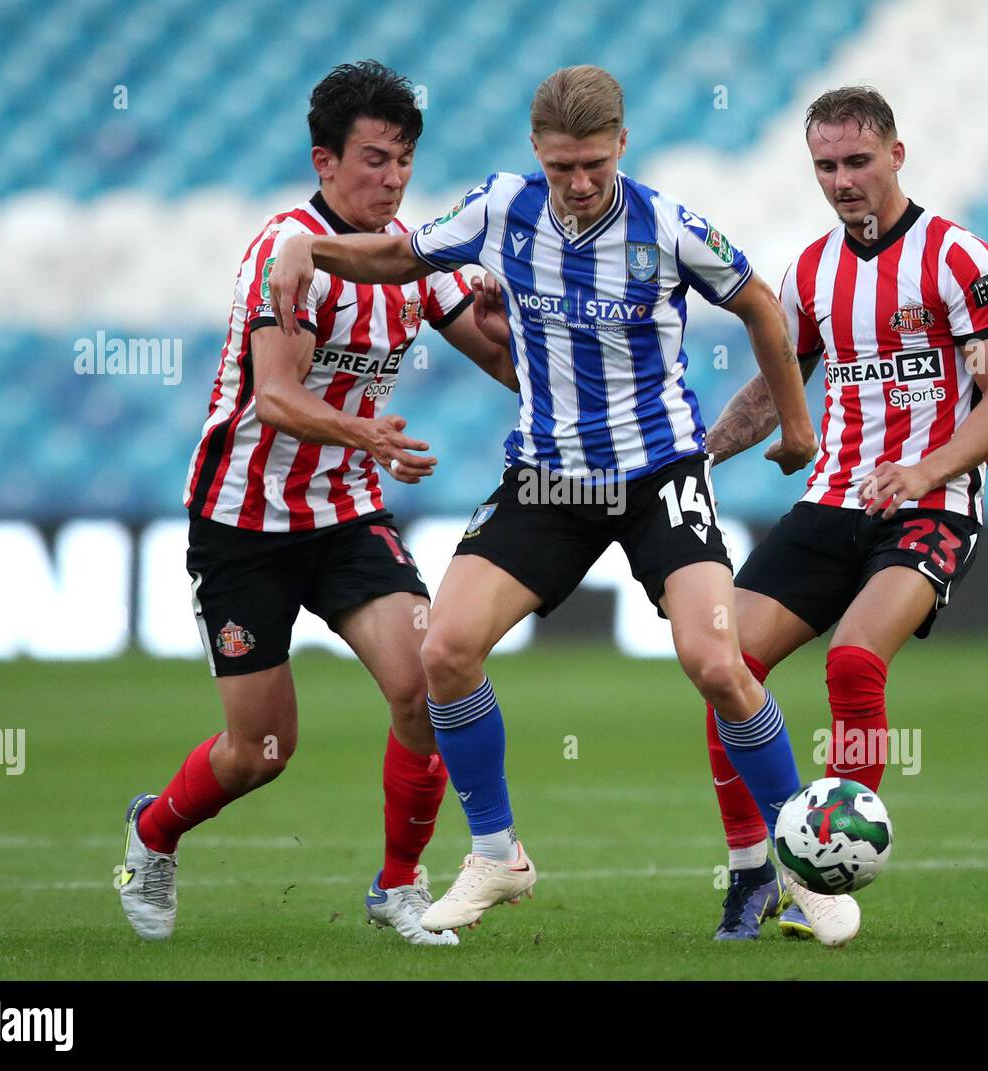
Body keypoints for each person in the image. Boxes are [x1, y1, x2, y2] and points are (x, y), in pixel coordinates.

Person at [264, 65, 860, 941]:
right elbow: (398, 254)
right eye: (559, 168)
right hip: (547, 478)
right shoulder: (502, 207)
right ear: (535, 156)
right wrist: (301, 245)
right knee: (447, 650)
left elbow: (763, 309)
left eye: (592, 164)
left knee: (716, 662)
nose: (577, 185)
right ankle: (498, 855)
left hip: (658, 475)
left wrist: (797, 425)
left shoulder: (666, 223)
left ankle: (802, 866)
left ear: (622, 144)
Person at [116, 61, 516, 948]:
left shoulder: (413, 255)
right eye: (374, 160)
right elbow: (277, 397)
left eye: (406, 160)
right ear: (324, 161)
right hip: (242, 522)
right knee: (259, 752)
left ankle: (398, 885)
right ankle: (153, 831)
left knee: (423, 684)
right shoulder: (285, 249)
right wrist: (369, 434)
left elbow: (503, 361)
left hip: (345, 516)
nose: (394, 179)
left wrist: (516, 308)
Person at [701, 85, 988, 940]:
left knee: (852, 661)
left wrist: (924, 466)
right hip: (830, 502)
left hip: (932, 504)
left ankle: (835, 870)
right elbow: (780, 386)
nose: (842, 180)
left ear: (896, 154)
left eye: (856, 161)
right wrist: (701, 450)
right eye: (825, 165)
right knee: (723, 664)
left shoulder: (962, 259)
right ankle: (749, 874)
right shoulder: (807, 272)